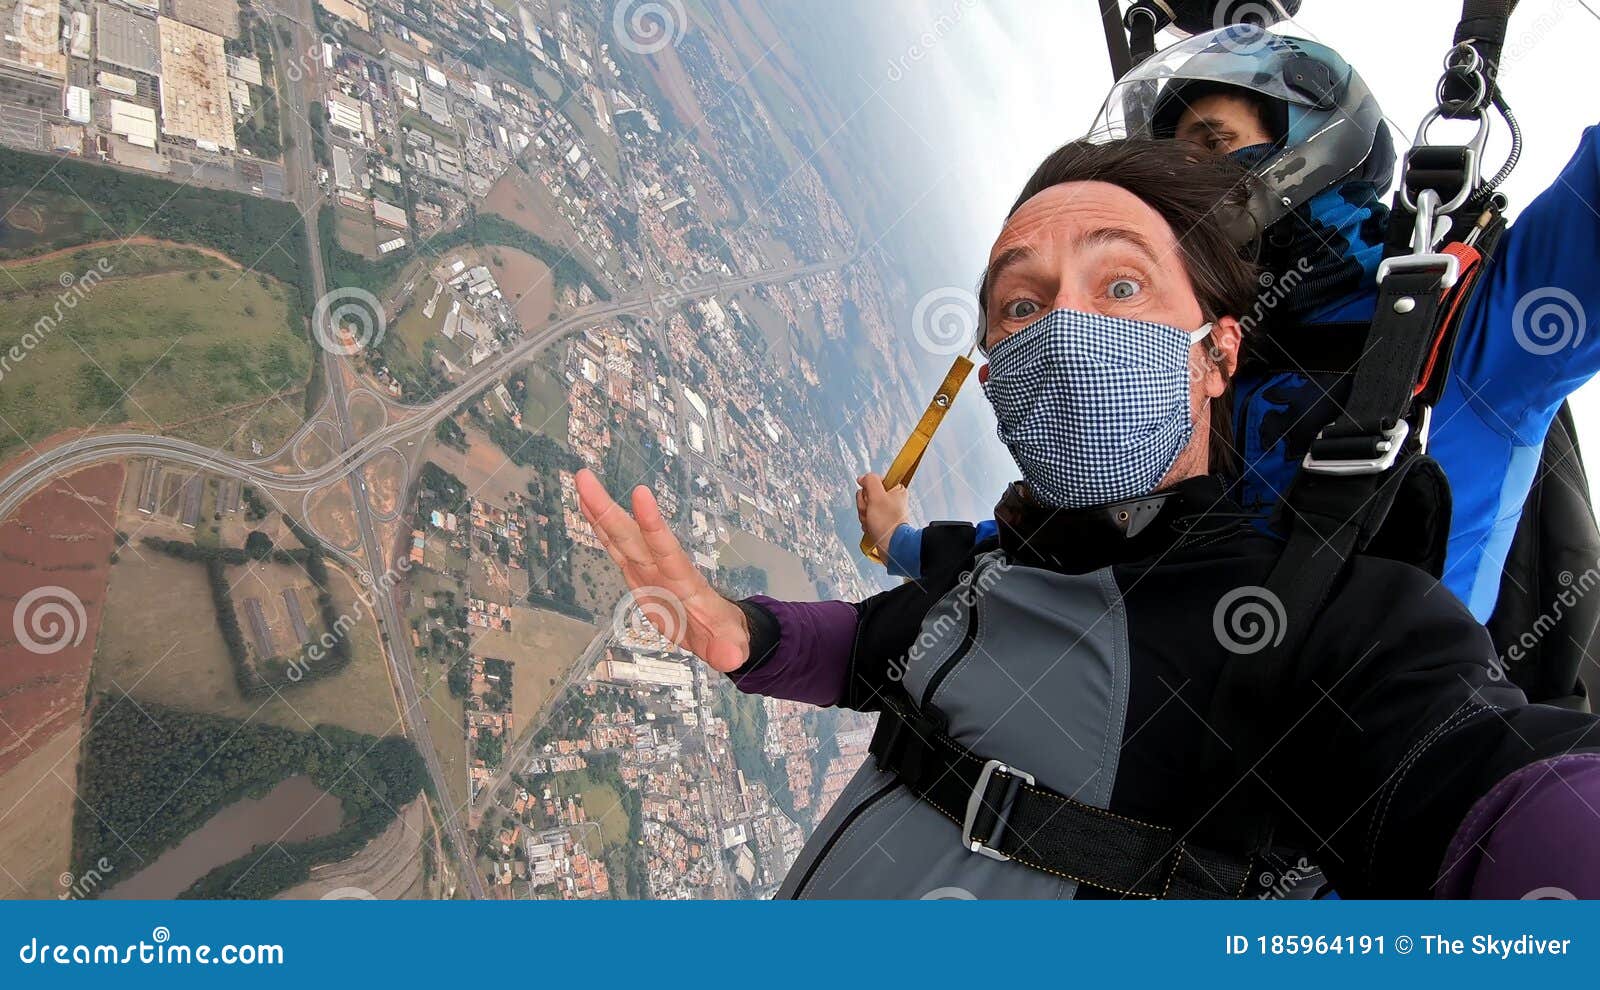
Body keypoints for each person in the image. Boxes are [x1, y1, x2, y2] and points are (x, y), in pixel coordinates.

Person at [578, 138, 1600, 899]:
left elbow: (1501, 799)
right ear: (993, 379)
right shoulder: (995, 575)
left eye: (1119, 283)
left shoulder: (1320, 629)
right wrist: (741, 632)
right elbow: (863, 648)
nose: (1064, 325)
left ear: (1216, 353)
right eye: (1021, 306)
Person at [864, 27, 1600, 643]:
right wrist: (902, 541)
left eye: (1213, 144)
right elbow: (1083, 535)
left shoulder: (1466, 325)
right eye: (1171, 161)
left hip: (1376, 760)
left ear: (1313, 149)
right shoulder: (1182, 358)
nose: (1185, 178)